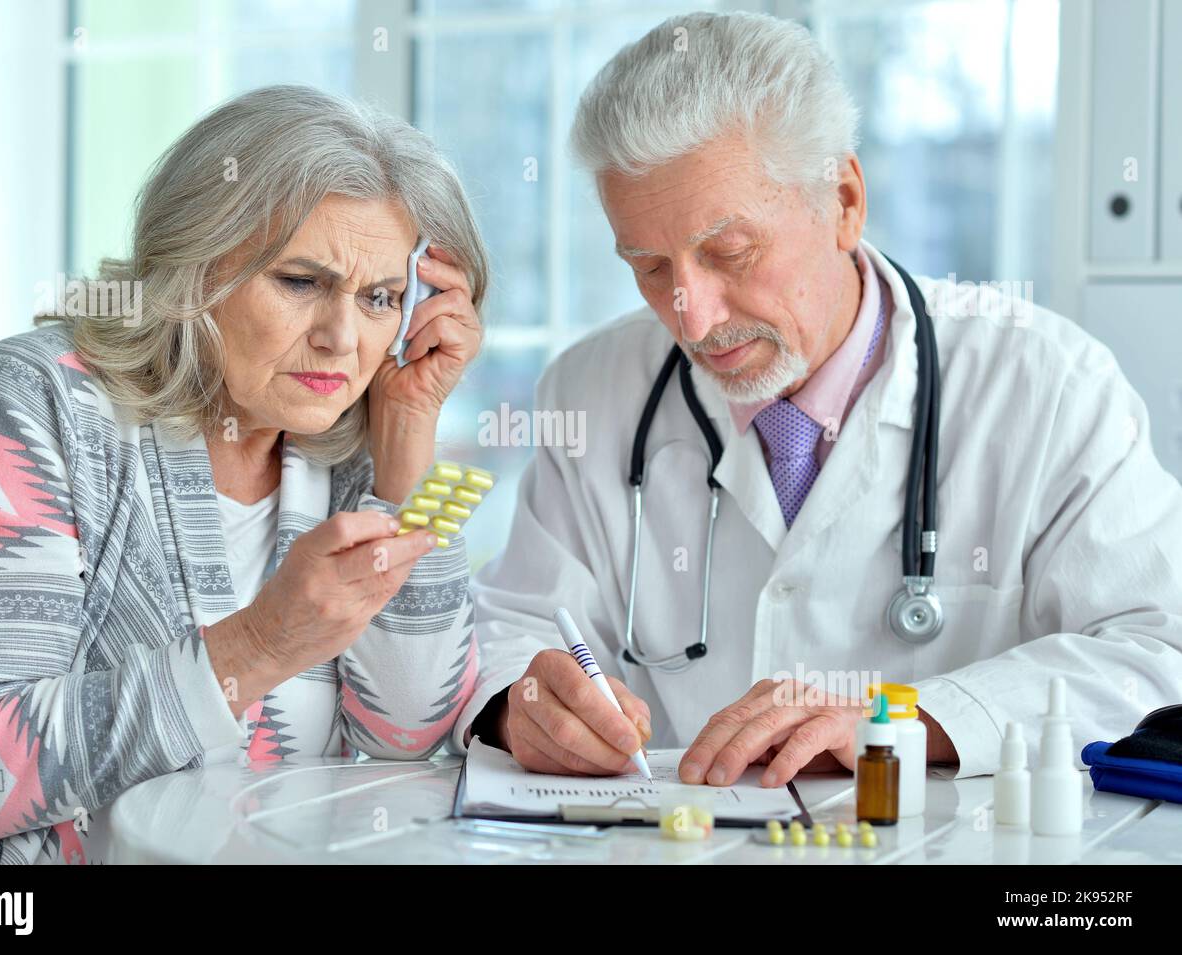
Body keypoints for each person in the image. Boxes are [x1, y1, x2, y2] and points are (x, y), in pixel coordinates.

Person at [455, 12, 1182, 792]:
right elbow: (516, 625)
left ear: (843, 201)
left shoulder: (1048, 385)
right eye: (649, 266)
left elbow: (1156, 650)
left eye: (730, 252)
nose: (692, 318)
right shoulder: (591, 389)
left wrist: (909, 718)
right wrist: (521, 704)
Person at [0, 85, 487, 864]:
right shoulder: (37, 404)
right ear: (196, 269)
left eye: (381, 297)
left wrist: (407, 438)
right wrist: (256, 644)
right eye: (300, 281)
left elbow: (409, 732)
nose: (342, 337)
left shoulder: (344, 445)